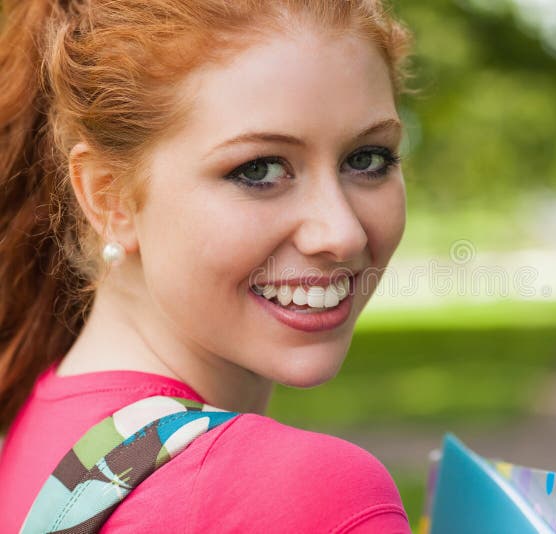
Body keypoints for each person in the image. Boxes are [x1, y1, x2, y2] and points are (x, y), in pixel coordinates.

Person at [0, 0, 415, 531]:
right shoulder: (310, 494)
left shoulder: (36, 430)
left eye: (367, 159)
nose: (342, 232)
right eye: (259, 169)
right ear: (109, 197)